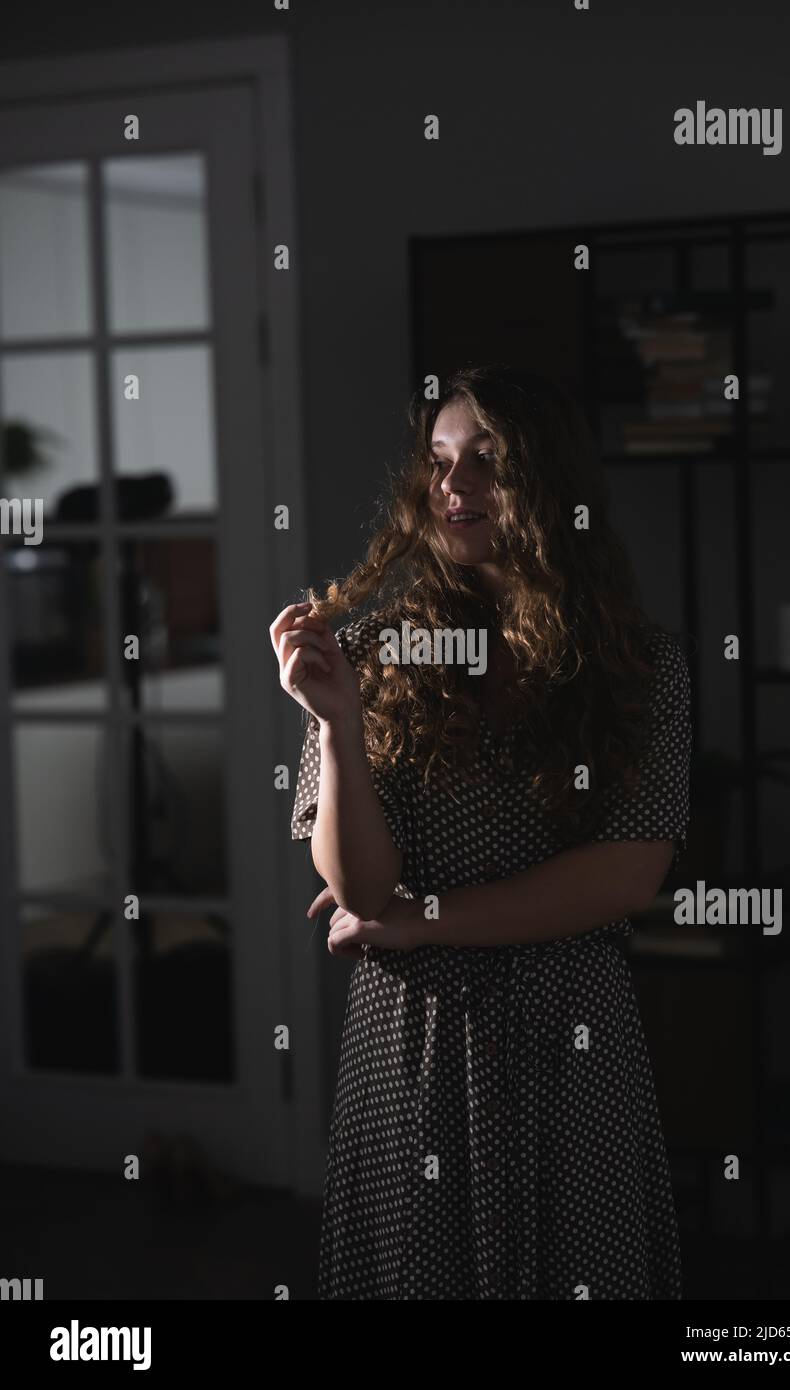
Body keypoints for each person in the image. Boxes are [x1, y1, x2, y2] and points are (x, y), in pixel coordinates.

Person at [269, 364, 692, 1300]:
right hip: (410, 1046)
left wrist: (426, 920)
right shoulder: (377, 657)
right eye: (440, 461)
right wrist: (336, 724)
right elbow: (360, 891)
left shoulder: (638, 667)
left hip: (572, 1043)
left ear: (550, 480)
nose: (454, 488)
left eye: (487, 460)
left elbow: (625, 876)